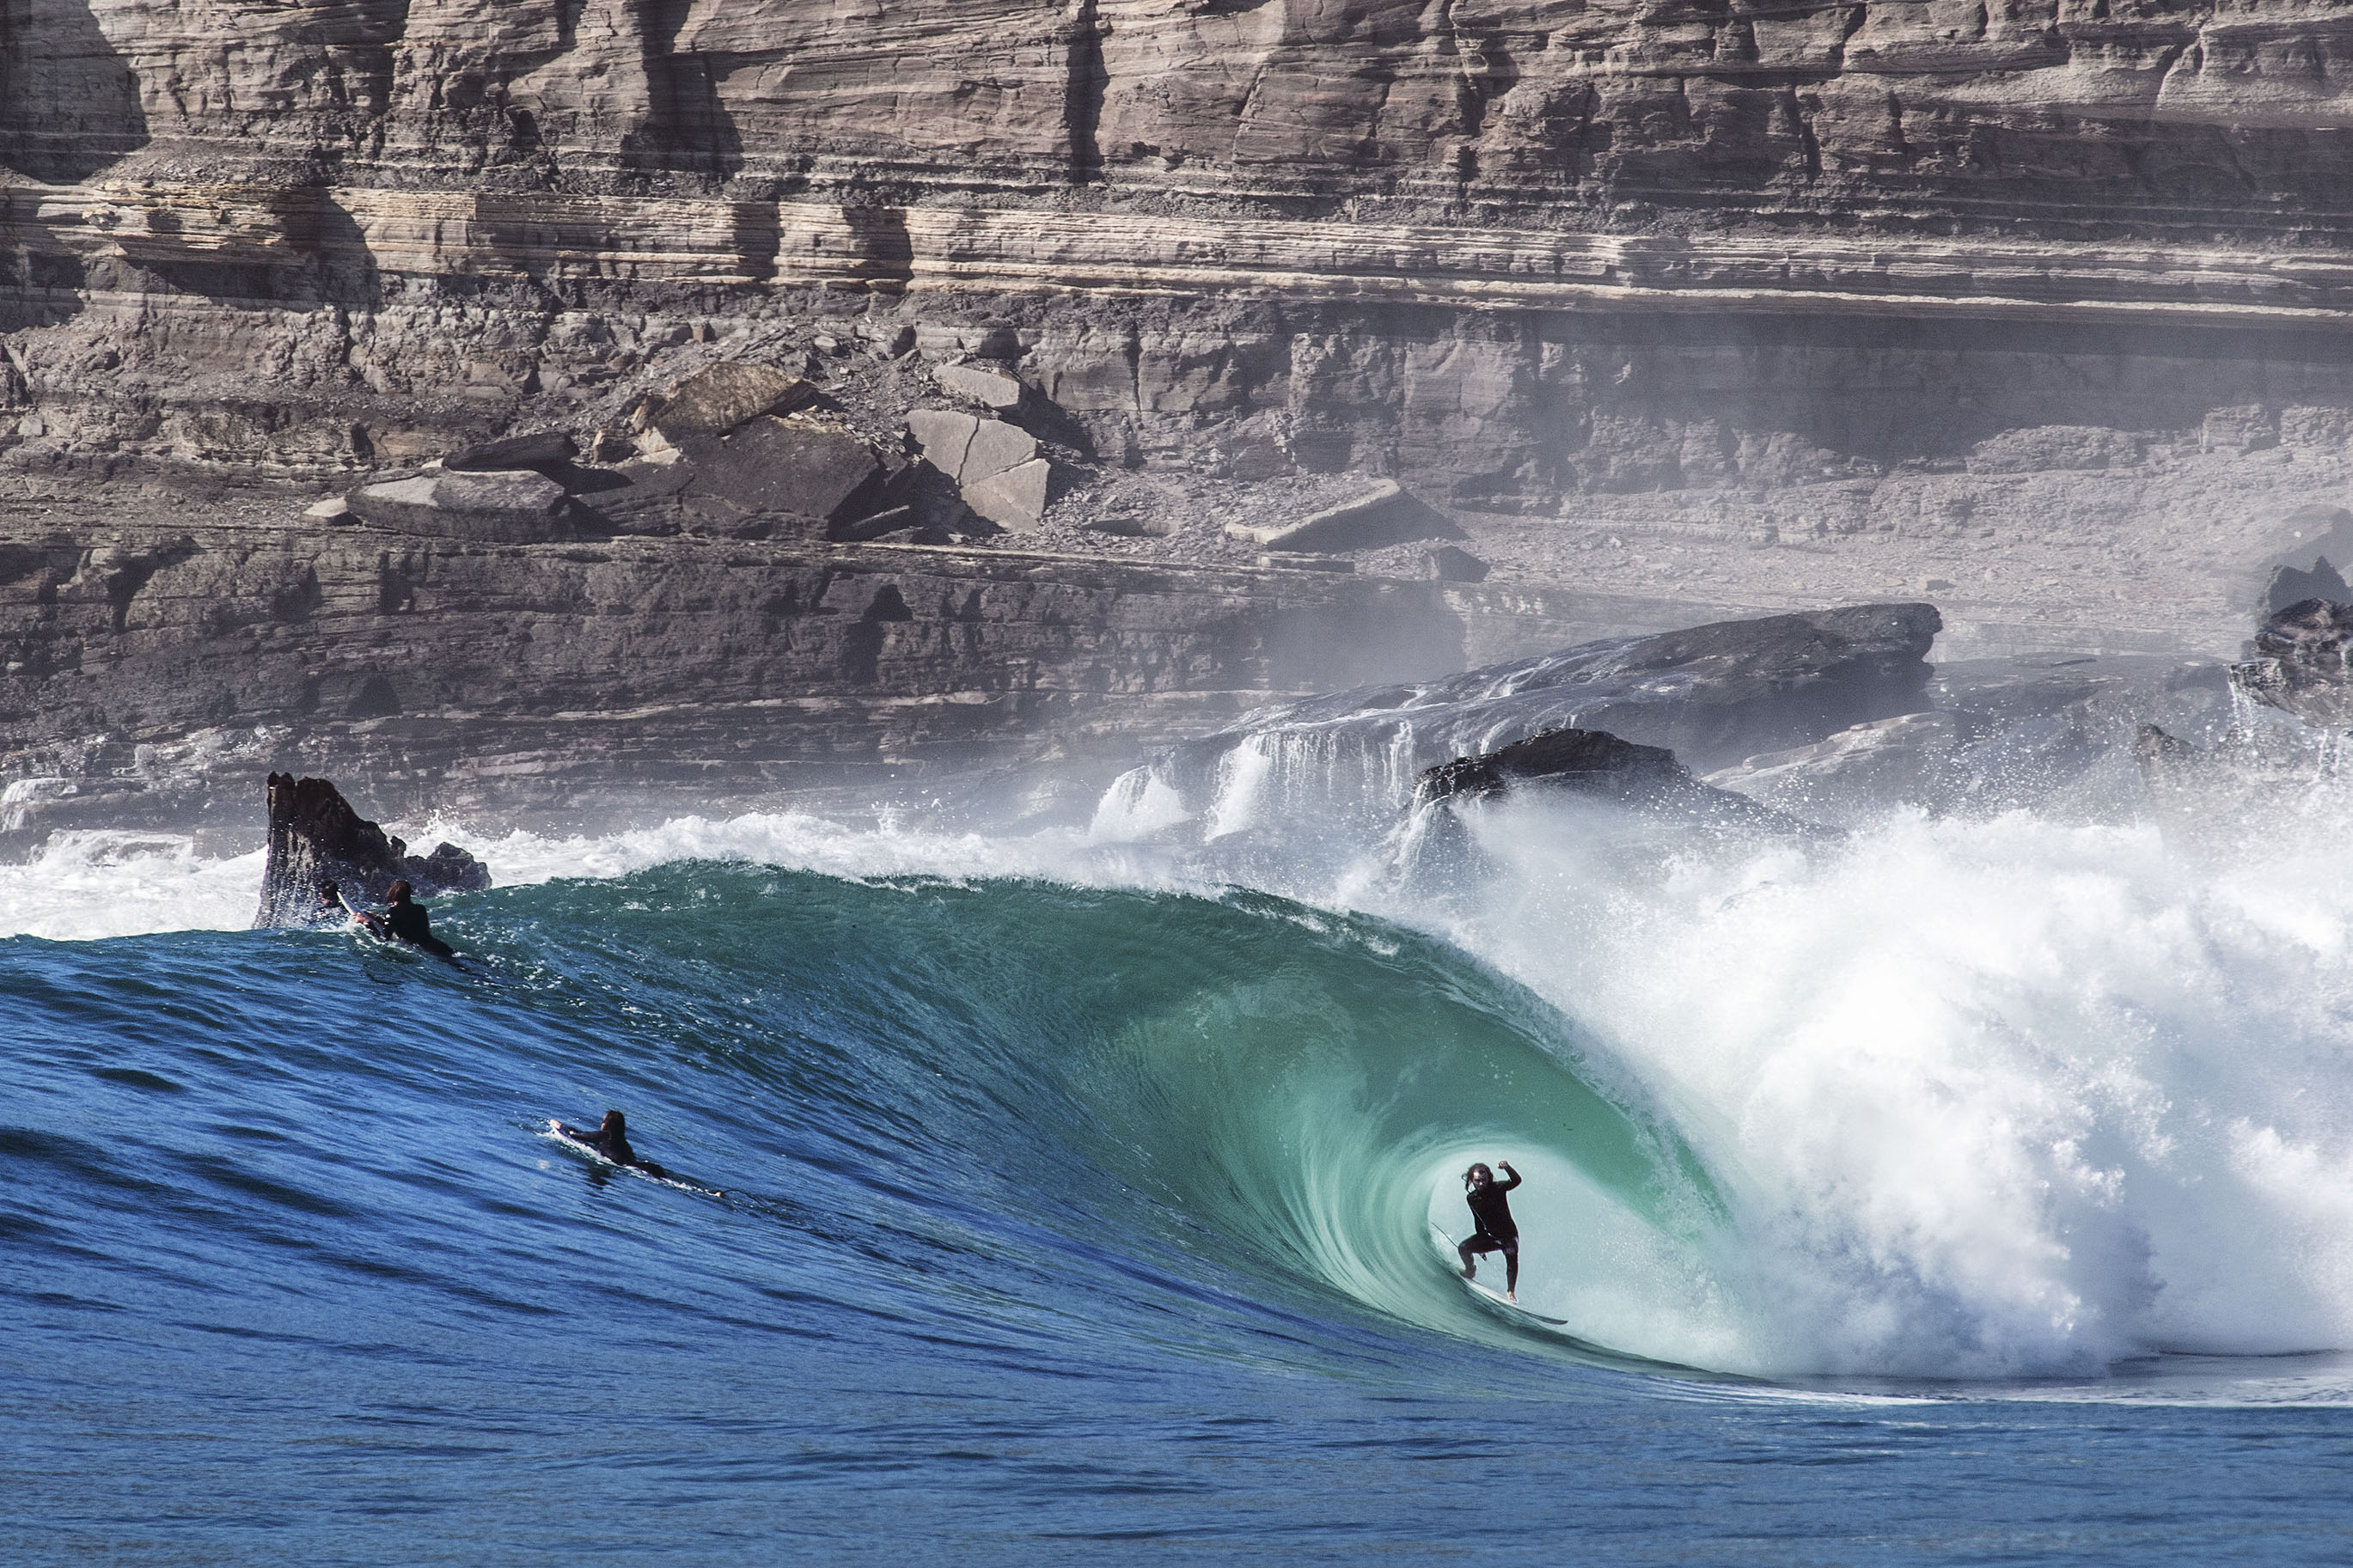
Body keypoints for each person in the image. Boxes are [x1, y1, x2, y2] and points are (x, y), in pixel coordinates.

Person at [1458, 1159, 1524, 1302]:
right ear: (1471, 1180)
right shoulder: (1471, 1199)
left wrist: (1507, 1167)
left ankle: (1511, 1291)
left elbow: (1517, 1180)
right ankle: (1470, 1271)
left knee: (1511, 1254)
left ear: (1489, 1178)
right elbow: (1478, 1220)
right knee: (1463, 1248)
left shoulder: (1498, 1188)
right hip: (1491, 1236)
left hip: (1509, 1236)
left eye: (1484, 1180)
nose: (1481, 1183)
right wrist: (1480, 1243)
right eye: (1477, 1180)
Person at [554, 1110, 668, 1179]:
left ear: (607, 1124)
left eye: (603, 1120)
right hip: (648, 1167)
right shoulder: (624, 1142)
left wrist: (561, 1126)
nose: (601, 1123)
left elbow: (576, 1135)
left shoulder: (604, 1136)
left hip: (630, 1167)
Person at [376, 880, 455, 960]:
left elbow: (386, 935)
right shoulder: (420, 908)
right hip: (435, 944)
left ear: (392, 894)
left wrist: (378, 920)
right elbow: (425, 928)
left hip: (420, 947)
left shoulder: (393, 911)